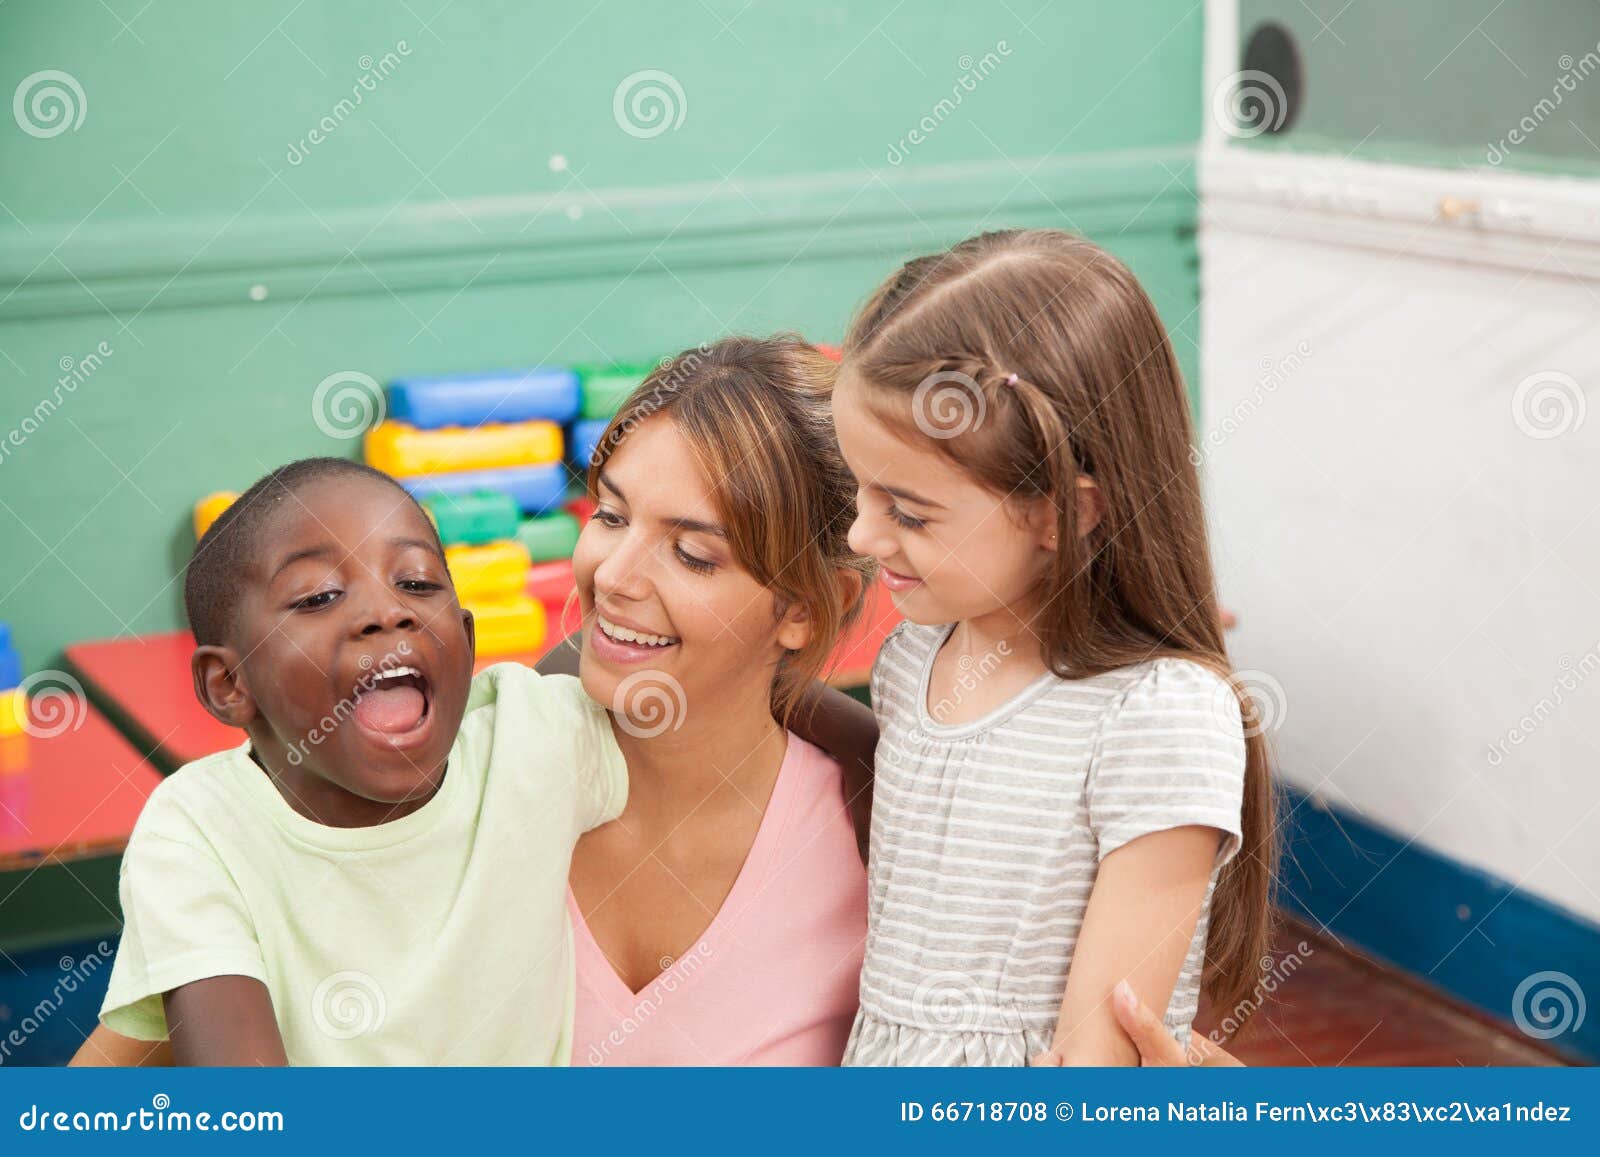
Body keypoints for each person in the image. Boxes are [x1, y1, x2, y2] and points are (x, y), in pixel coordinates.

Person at [831, 229, 1276, 1066]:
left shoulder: (1160, 715)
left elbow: (1103, 1055)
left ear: (1062, 512)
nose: (862, 533)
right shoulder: (910, 661)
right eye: (860, 489)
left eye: (910, 512)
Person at [93, 457, 625, 1064]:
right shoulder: (199, 830)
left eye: (419, 583)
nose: (388, 612)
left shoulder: (531, 732)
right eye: (319, 596)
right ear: (229, 683)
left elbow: (685, 634)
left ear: (468, 640)